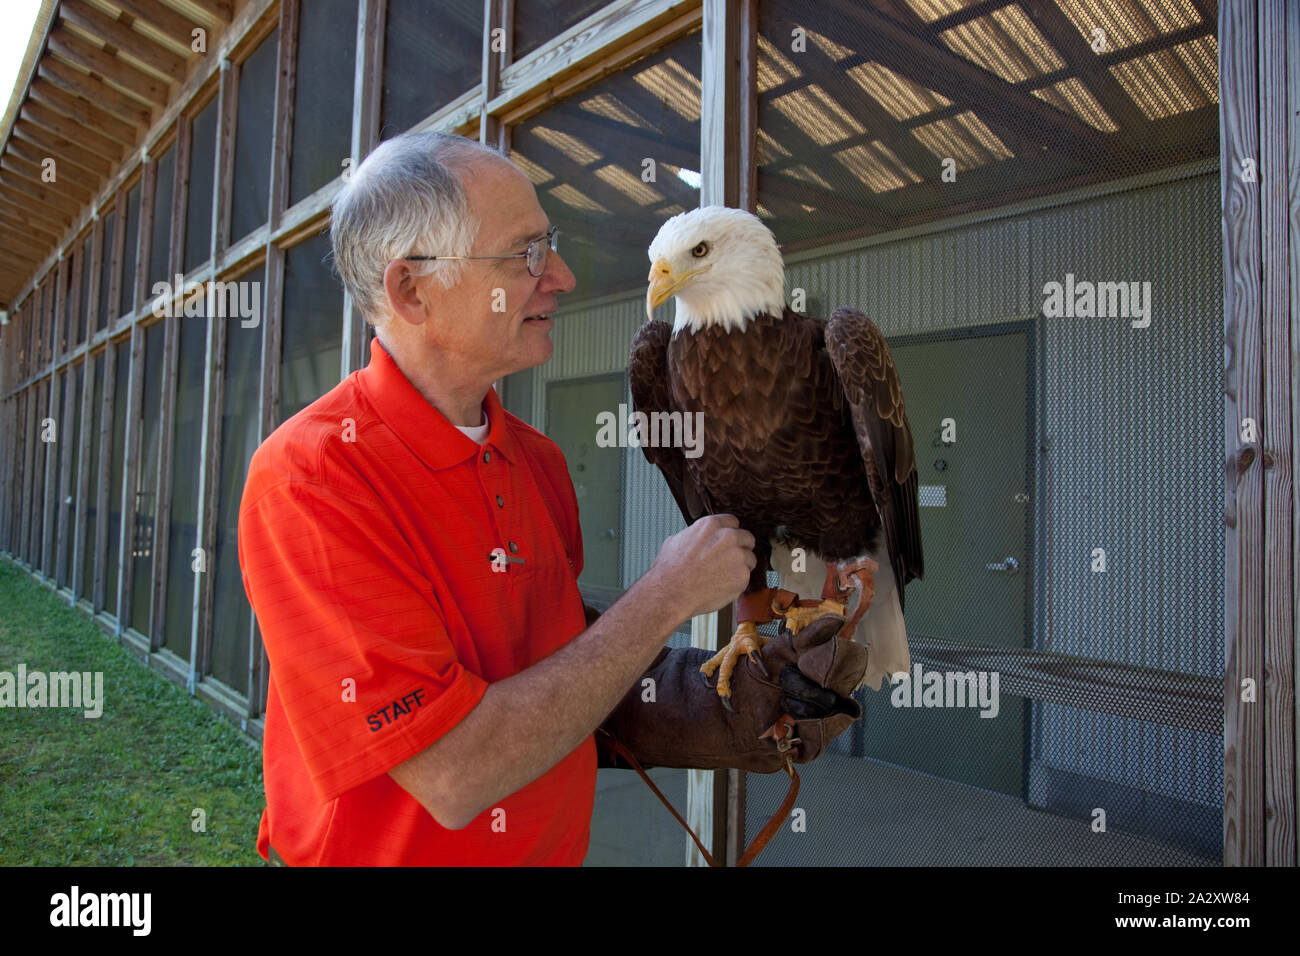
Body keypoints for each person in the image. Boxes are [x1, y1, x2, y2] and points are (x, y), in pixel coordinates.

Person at [237, 130, 863, 866]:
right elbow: (453, 769)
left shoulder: (535, 461)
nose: (561, 276)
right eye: (525, 253)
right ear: (411, 289)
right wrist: (663, 596)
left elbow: (559, 671)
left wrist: (717, 701)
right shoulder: (314, 478)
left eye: (551, 245)